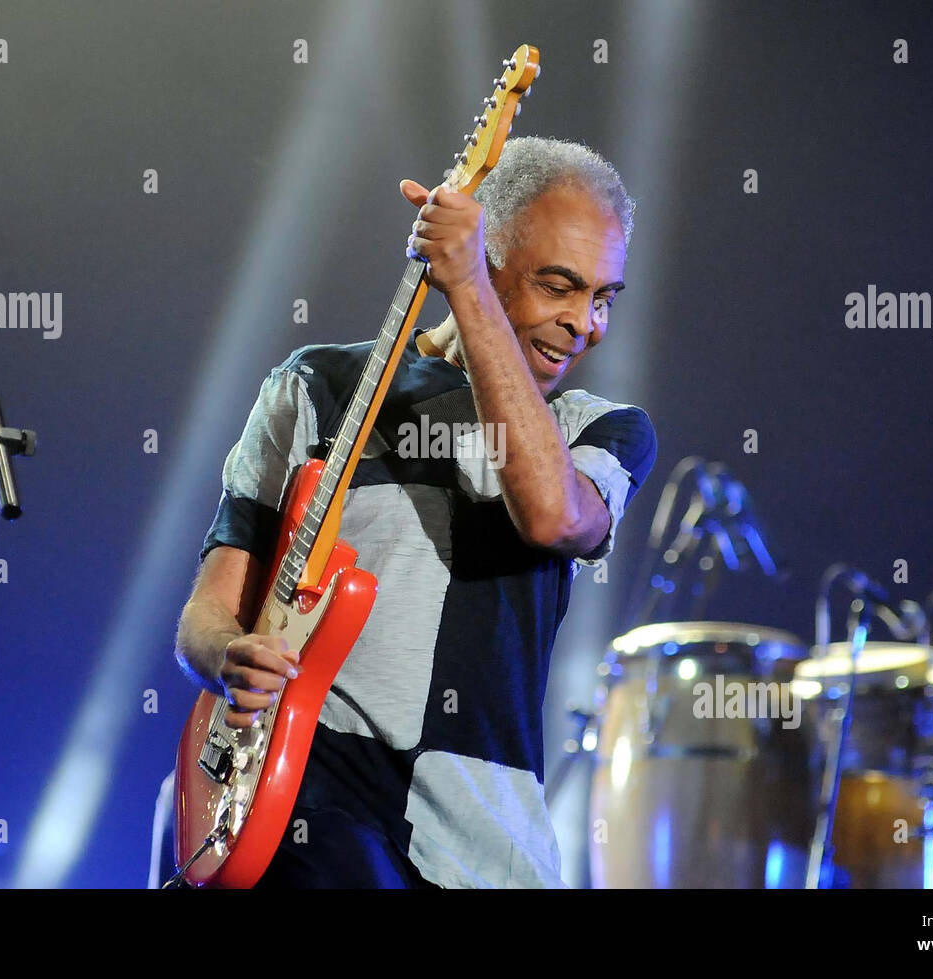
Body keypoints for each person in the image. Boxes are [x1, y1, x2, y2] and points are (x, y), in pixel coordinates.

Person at [173, 136, 657, 887]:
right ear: (483, 254)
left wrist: (469, 292)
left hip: (486, 843)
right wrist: (226, 654)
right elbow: (206, 614)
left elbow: (555, 517)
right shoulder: (318, 386)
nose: (585, 323)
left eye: (603, 298)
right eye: (559, 286)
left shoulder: (595, 428)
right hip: (308, 791)